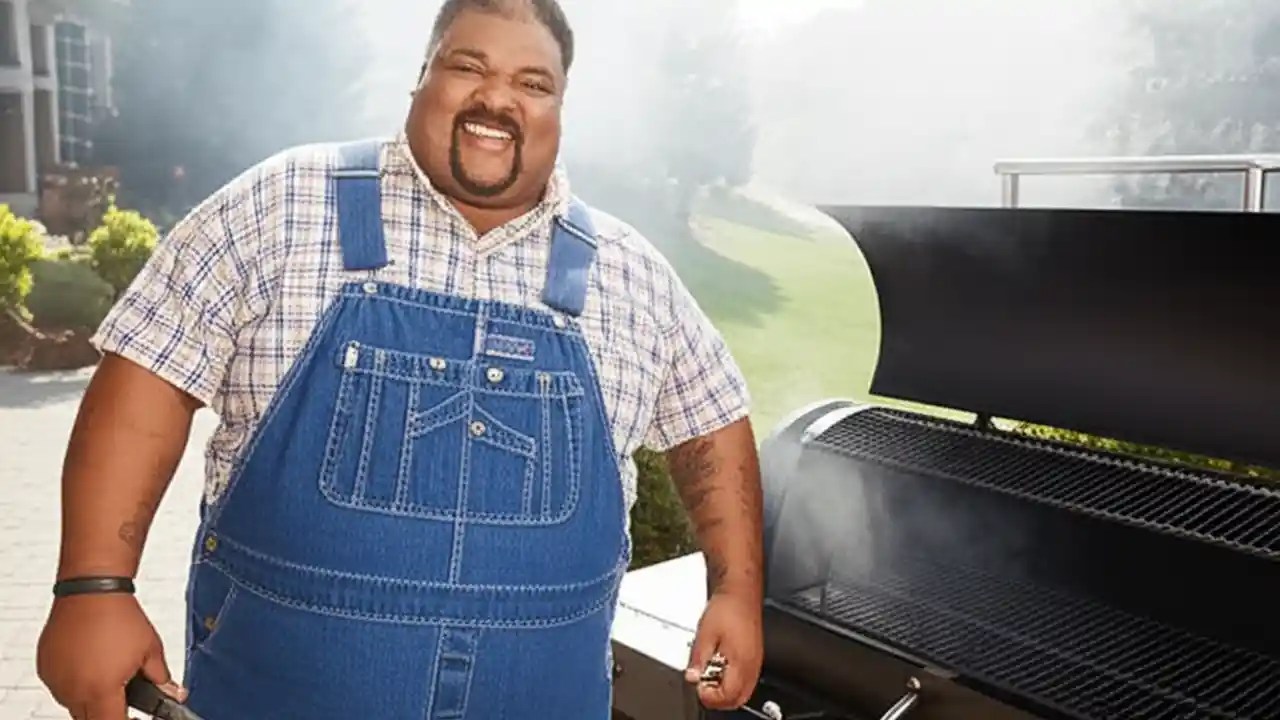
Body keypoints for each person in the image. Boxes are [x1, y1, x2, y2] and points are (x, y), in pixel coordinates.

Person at [35, 0, 765, 717]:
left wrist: (734, 593)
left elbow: (712, 423)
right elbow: (147, 377)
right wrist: (94, 588)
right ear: (421, 77)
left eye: (532, 83)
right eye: (467, 66)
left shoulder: (630, 275)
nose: (497, 97)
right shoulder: (281, 204)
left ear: (560, 109)